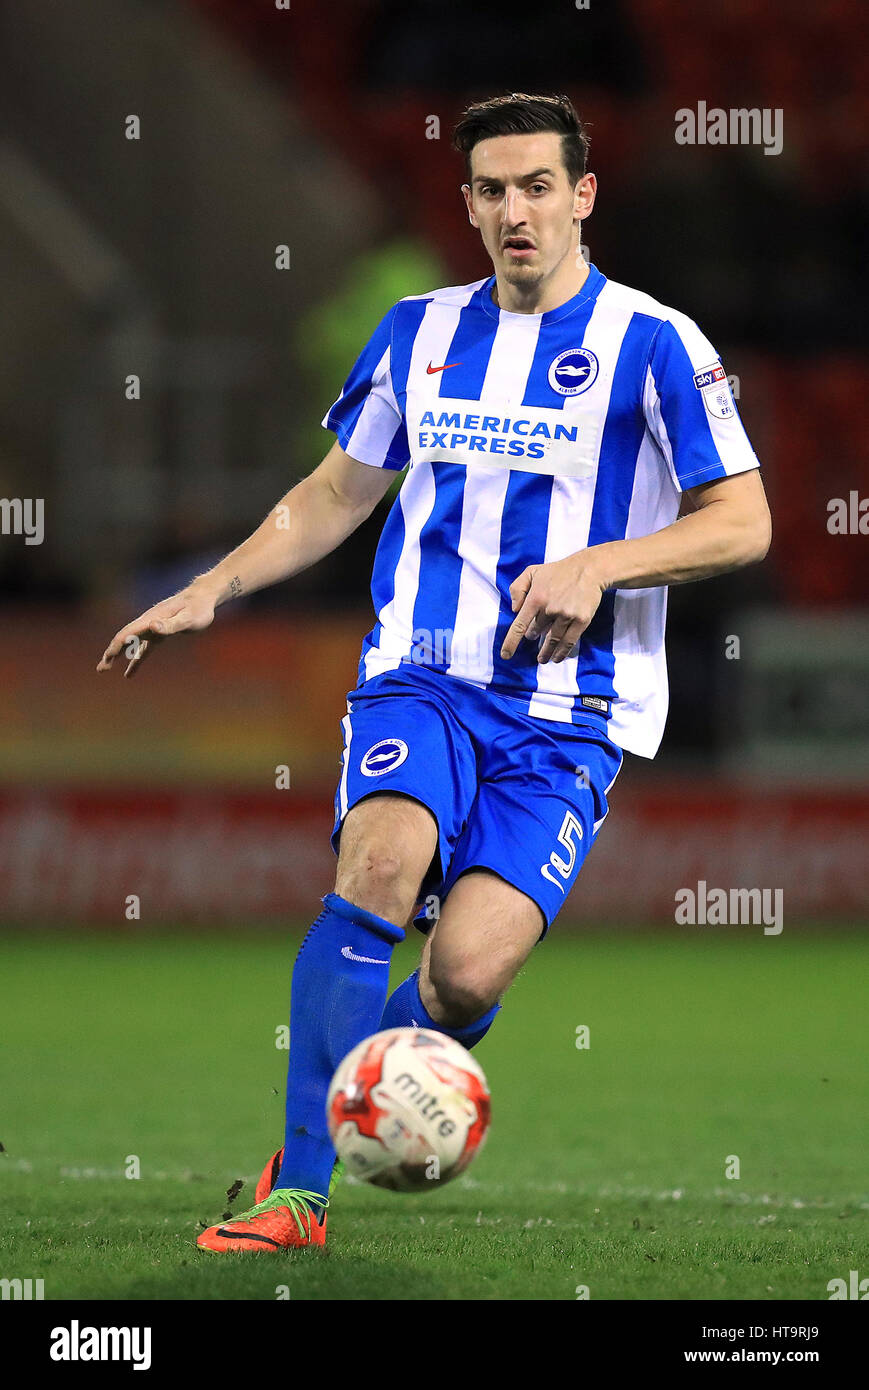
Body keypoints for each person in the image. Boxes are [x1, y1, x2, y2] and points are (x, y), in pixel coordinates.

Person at [98, 93, 771, 1253]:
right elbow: (333, 495)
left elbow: (743, 520)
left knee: (463, 977)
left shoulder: (656, 343)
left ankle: (368, 1085)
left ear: (582, 196)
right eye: (492, 190)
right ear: (465, 204)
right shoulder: (417, 330)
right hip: (423, 672)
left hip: (570, 713)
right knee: (380, 862)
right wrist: (214, 584)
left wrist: (602, 564)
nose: (516, 210)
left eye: (537, 187)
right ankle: (301, 1192)